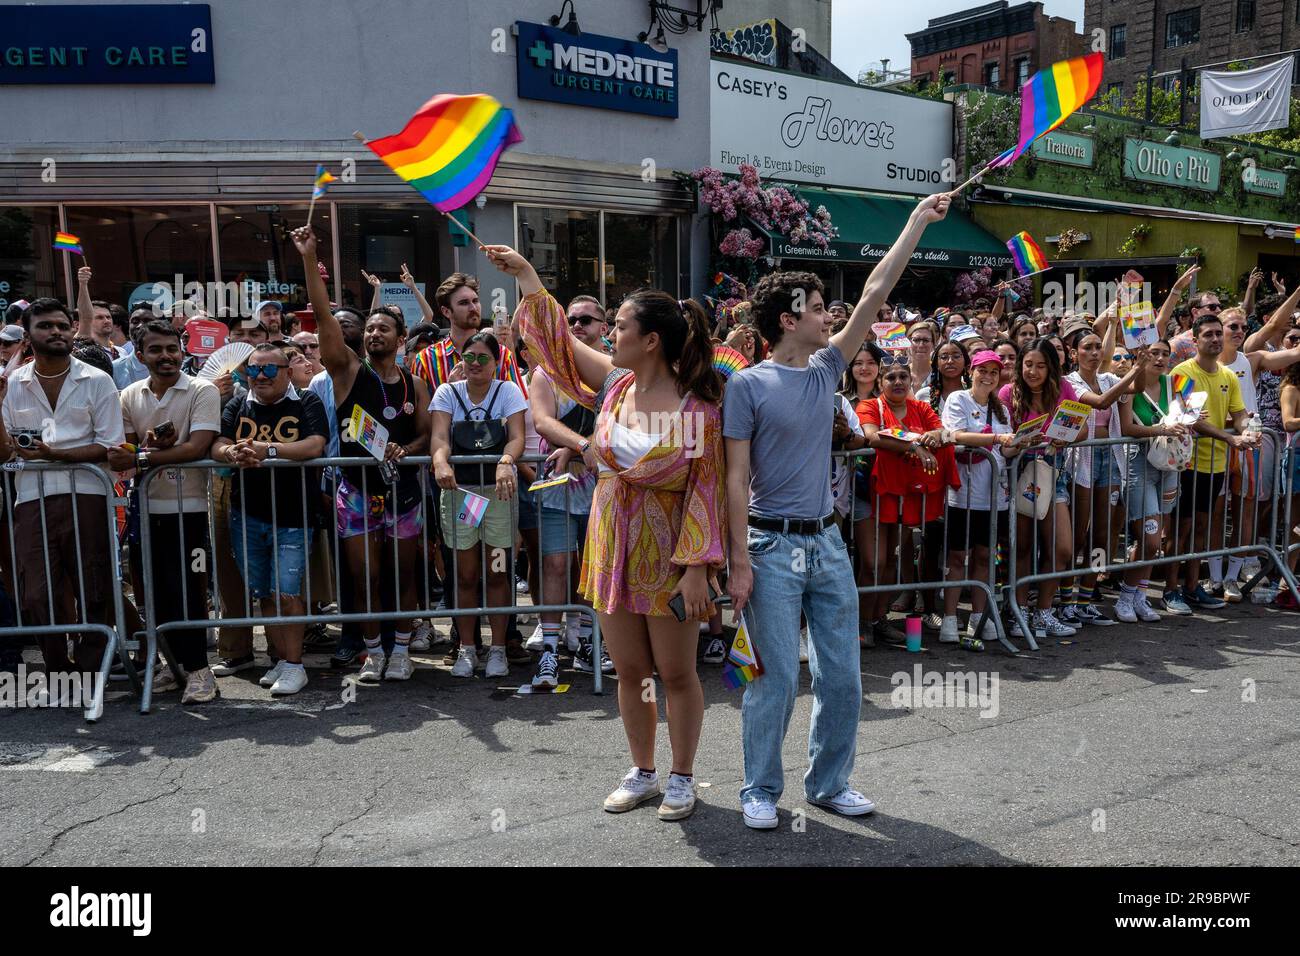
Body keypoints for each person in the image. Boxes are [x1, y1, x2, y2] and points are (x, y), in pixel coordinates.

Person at [725, 193, 951, 830]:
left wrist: (913, 222)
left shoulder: (829, 368)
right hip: (769, 548)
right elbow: (735, 477)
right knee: (771, 679)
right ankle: (760, 790)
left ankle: (829, 783)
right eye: (819, 307)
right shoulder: (745, 386)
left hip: (827, 545)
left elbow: (880, 286)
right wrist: (737, 560)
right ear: (787, 317)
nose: (831, 316)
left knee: (844, 677)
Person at [490, 242, 726, 824]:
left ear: (651, 340)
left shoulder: (699, 408)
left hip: (669, 557)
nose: (609, 334)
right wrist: (525, 274)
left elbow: (706, 490)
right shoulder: (617, 386)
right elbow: (558, 348)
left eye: (619, 326)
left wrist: (699, 568)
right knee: (630, 672)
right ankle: (643, 771)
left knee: (676, 673)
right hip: (612, 547)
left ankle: (681, 776)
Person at [293, 226, 431, 683]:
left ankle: (403, 651)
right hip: (355, 494)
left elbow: (426, 438)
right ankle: (374, 652)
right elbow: (324, 318)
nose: (373, 333)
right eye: (369, 328)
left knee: (404, 577)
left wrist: (403, 449)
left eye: (383, 328)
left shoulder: (416, 383)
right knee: (366, 578)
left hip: (404, 492)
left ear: (401, 336)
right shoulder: (348, 372)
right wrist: (311, 261)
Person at [0, 298, 125, 694]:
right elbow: (5, 451)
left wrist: (58, 455)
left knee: (95, 585)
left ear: (72, 330)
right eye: (45, 327)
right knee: (37, 593)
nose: (55, 332)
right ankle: (59, 670)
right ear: (28, 334)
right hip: (30, 499)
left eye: (61, 326)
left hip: (87, 492)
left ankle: (90, 670)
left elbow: (112, 445)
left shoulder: (98, 380)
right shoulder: (12, 382)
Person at [1000, 338, 1145, 640]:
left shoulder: (1063, 389)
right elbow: (1003, 440)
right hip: (1021, 476)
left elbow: (1081, 426)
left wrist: (1066, 437)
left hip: (1056, 474)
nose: (1033, 371)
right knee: (1024, 547)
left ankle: (1045, 611)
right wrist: (1022, 440)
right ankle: (1019, 612)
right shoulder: (1007, 394)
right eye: (1028, 364)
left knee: (1063, 547)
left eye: (1040, 365)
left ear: (1051, 368)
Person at [107, 320, 221, 704]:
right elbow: (121, 453)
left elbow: (196, 448)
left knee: (190, 592)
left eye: (172, 348)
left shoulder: (201, 389)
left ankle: (200, 672)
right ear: (140, 356)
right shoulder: (129, 394)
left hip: (189, 510)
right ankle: (175, 669)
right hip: (144, 511)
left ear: (182, 350)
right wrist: (146, 452)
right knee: (154, 594)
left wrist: (143, 455)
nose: (166, 356)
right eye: (156, 350)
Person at [211, 342, 329, 695]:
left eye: (269, 369)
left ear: (287, 373)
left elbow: (315, 445)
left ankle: (295, 665)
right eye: (254, 370)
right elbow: (218, 442)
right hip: (247, 513)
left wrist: (269, 450)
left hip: (293, 514)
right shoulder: (237, 403)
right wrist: (231, 451)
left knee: (287, 591)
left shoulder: (306, 401)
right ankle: (280, 658)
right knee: (263, 592)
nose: (260, 376)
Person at [429, 331, 526, 681]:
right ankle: (468, 647)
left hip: (496, 493)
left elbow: (517, 437)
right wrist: (440, 461)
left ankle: (499, 648)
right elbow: (439, 437)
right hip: (464, 494)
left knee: (498, 572)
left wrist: (505, 460)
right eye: (468, 357)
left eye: (482, 357)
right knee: (465, 574)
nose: (475, 364)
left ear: (496, 361)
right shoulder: (447, 392)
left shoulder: (508, 391)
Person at [528, 294, 611, 683]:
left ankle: (589, 639)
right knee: (556, 564)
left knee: (593, 568)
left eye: (586, 320)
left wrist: (582, 447)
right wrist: (580, 446)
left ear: (603, 327)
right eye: (571, 320)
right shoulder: (546, 371)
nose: (577, 326)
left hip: (603, 487)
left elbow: (623, 422)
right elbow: (542, 421)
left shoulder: (616, 372)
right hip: (558, 487)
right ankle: (549, 647)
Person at [1163, 314, 1261, 613]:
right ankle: (1170, 590)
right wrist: (1230, 438)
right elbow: (1192, 420)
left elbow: (1240, 413)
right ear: (1195, 339)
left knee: (1202, 529)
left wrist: (1246, 428)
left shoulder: (1228, 376)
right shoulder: (1182, 371)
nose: (1216, 339)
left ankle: (1192, 588)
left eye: (1219, 333)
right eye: (1209, 334)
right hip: (1186, 464)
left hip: (1216, 465)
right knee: (1181, 529)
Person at [941, 350, 1017, 643]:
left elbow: (1005, 450)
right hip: (963, 493)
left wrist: (1021, 442)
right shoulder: (958, 399)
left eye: (994, 372)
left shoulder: (1001, 409)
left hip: (994, 494)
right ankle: (949, 618)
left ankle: (978, 617)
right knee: (957, 556)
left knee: (985, 556)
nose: (988, 376)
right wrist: (997, 439)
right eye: (982, 370)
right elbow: (955, 435)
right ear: (970, 372)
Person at [1116, 337, 1188, 622]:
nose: (1159, 358)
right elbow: (1126, 427)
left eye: (1165, 354)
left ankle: (1140, 597)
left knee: (1157, 539)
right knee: (1148, 537)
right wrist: (1161, 428)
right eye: (1154, 353)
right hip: (1140, 462)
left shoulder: (1176, 382)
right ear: (1141, 355)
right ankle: (1125, 595)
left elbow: (1185, 415)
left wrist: (1191, 419)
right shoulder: (1129, 385)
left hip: (1169, 463)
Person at [844, 344, 884, 641]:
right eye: (858, 363)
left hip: (877, 489)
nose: (865, 368)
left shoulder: (890, 401)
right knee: (839, 562)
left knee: (873, 561)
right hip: (839, 491)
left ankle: (868, 621)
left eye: (871, 362)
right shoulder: (840, 401)